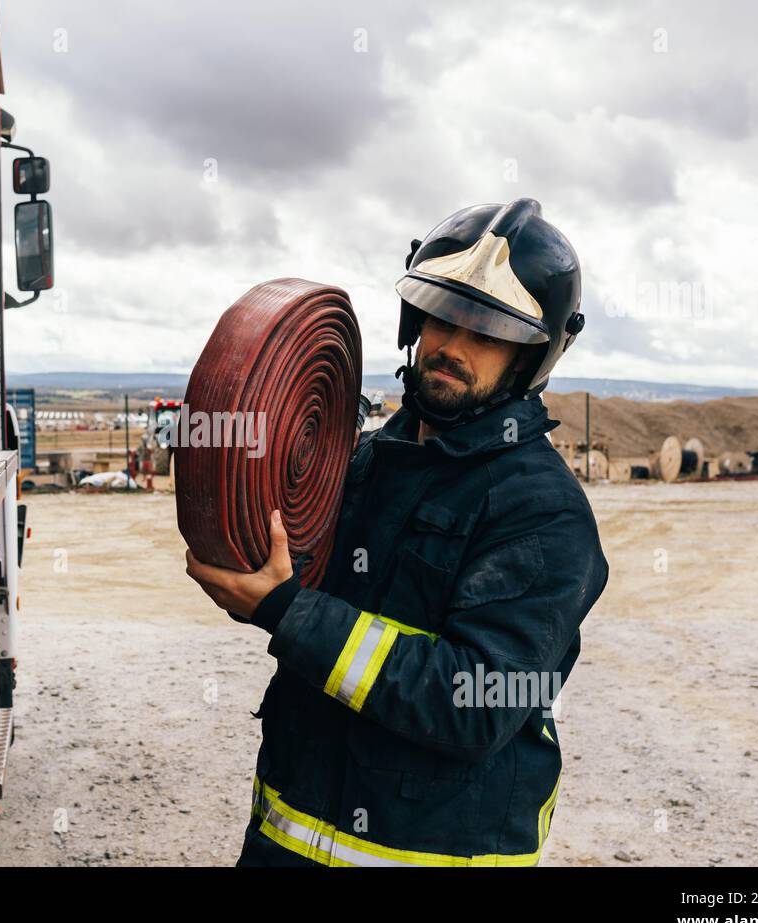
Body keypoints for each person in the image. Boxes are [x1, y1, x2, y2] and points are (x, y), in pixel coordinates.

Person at [187, 198, 610, 866]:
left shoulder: (542, 513)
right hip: (285, 840)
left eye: (488, 332)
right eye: (442, 318)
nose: (452, 346)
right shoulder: (368, 461)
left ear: (533, 356)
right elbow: (312, 598)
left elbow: (480, 702)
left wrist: (285, 611)